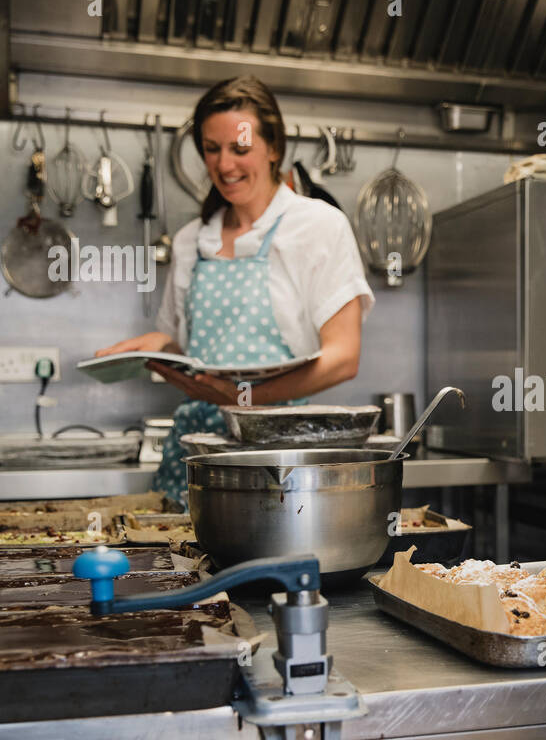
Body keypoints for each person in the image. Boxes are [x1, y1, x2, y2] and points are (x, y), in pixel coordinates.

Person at [96, 76, 373, 505]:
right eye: (211, 148)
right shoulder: (191, 240)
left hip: (280, 455)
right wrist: (152, 347)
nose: (224, 165)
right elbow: (183, 346)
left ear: (274, 148)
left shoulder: (318, 226)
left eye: (240, 148)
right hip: (195, 453)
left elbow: (343, 358)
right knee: (181, 568)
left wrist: (245, 398)